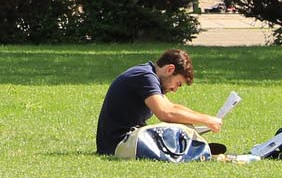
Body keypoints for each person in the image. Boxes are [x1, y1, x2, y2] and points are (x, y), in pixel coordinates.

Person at [95, 49, 223, 158]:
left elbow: (172, 107)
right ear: (170, 69)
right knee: (175, 129)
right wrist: (206, 120)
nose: (175, 89)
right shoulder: (145, 76)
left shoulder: (148, 74)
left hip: (123, 142)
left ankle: (191, 147)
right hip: (119, 144)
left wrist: (206, 118)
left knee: (183, 126)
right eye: (178, 83)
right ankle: (193, 150)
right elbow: (166, 113)